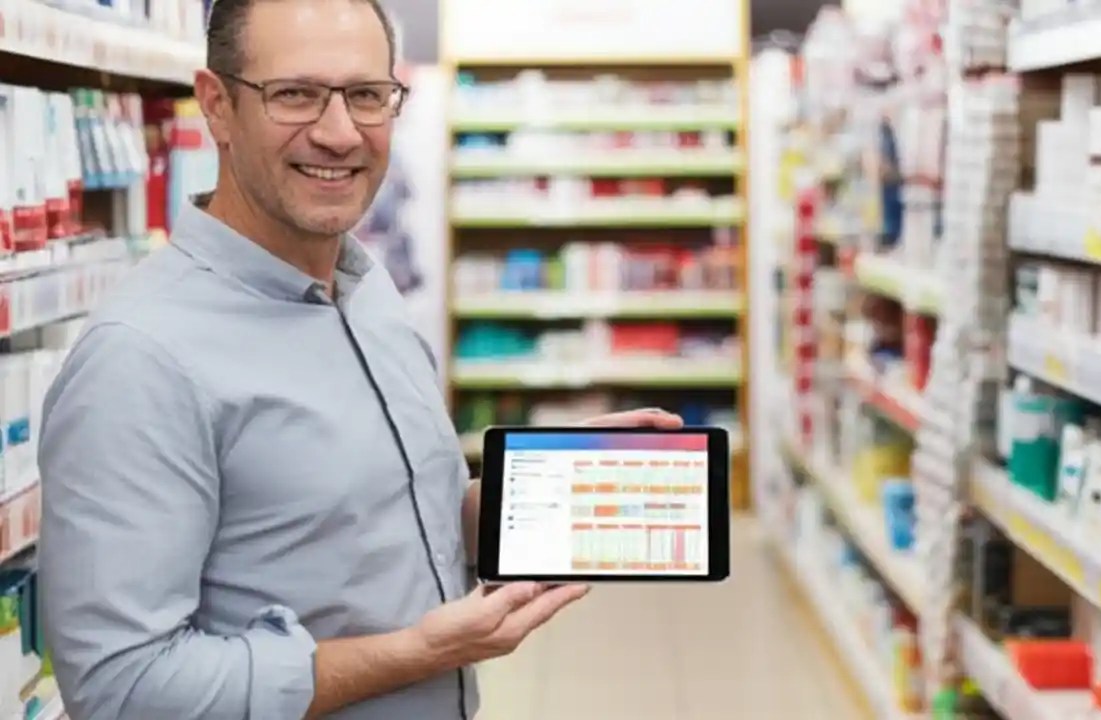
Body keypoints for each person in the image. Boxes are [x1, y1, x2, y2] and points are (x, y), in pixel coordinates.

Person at [35, 0, 684, 718]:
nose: (340, 132)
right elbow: (123, 691)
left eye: (367, 95)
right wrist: (418, 653)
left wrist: (540, 487)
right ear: (216, 106)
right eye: (295, 94)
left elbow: (384, 518)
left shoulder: (364, 287)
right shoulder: (141, 360)